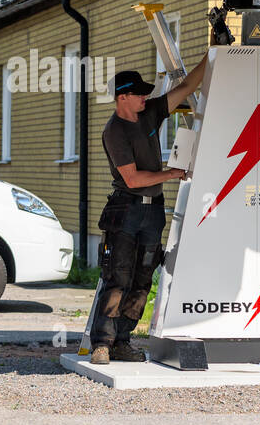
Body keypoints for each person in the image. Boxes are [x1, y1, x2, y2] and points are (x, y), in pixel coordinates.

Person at [89, 54, 208, 364]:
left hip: (153, 211)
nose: (146, 97)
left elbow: (186, 86)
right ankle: (102, 343)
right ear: (122, 97)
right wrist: (170, 174)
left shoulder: (150, 112)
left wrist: (214, 54)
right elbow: (132, 177)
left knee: (143, 279)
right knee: (118, 277)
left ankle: (122, 342)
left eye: (146, 93)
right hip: (126, 210)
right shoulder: (114, 131)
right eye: (139, 93)